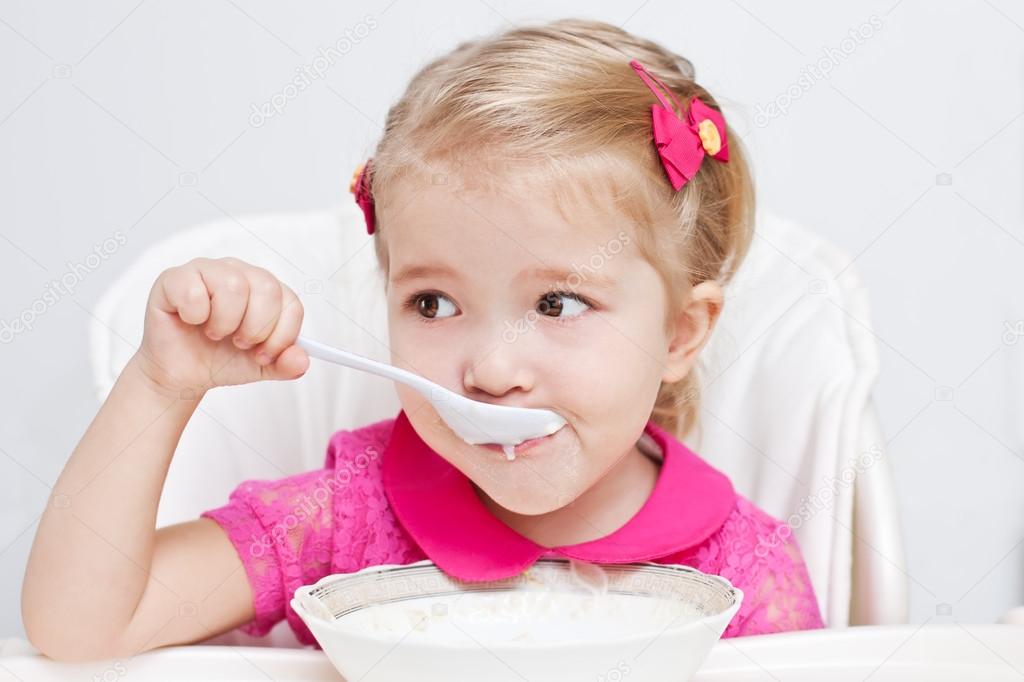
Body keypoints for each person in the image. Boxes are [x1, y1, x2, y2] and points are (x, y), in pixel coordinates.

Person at [22, 18, 825, 662]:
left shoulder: (747, 574)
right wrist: (163, 388)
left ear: (680, 334)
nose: (491, 368)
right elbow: (84, 630)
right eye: (434, 303)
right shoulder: (348, 515)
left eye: (557, 301)